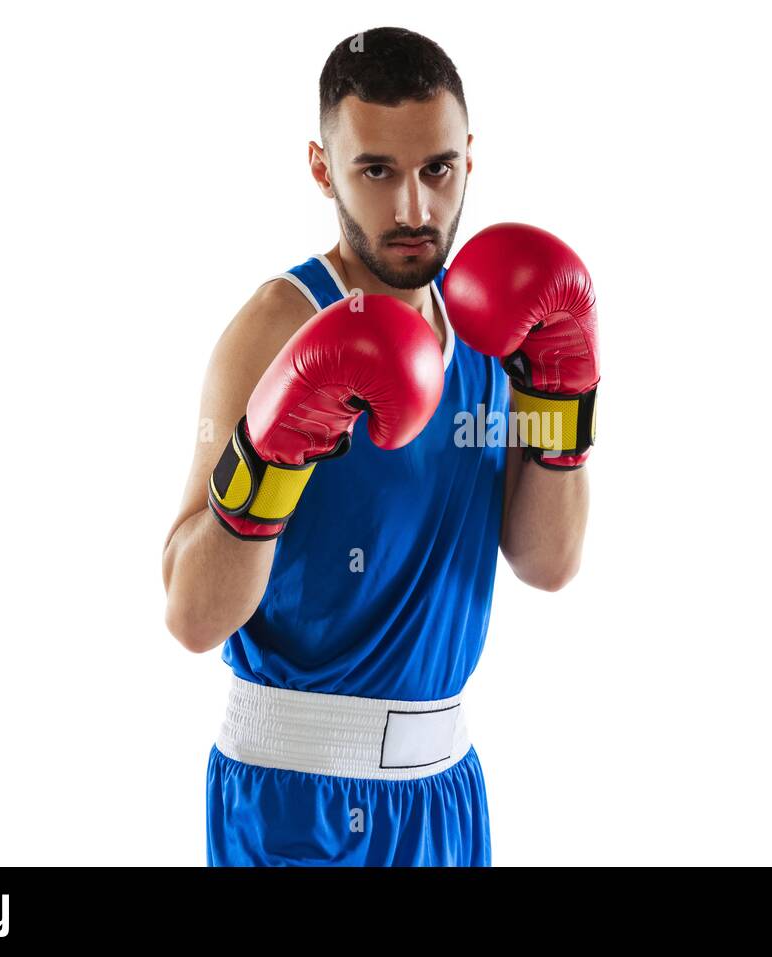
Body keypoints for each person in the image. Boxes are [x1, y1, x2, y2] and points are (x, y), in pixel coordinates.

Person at [161, 26, 598, 866]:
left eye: (437, 169)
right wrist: (270, 455)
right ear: (323, 168)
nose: (413, 210)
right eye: (377, 172)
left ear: (469, 156)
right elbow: (191, 613)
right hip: (299, 801)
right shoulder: (278, 326)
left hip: (444, 791)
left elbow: (547, 560)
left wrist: (561, 395)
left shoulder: (496, 322)